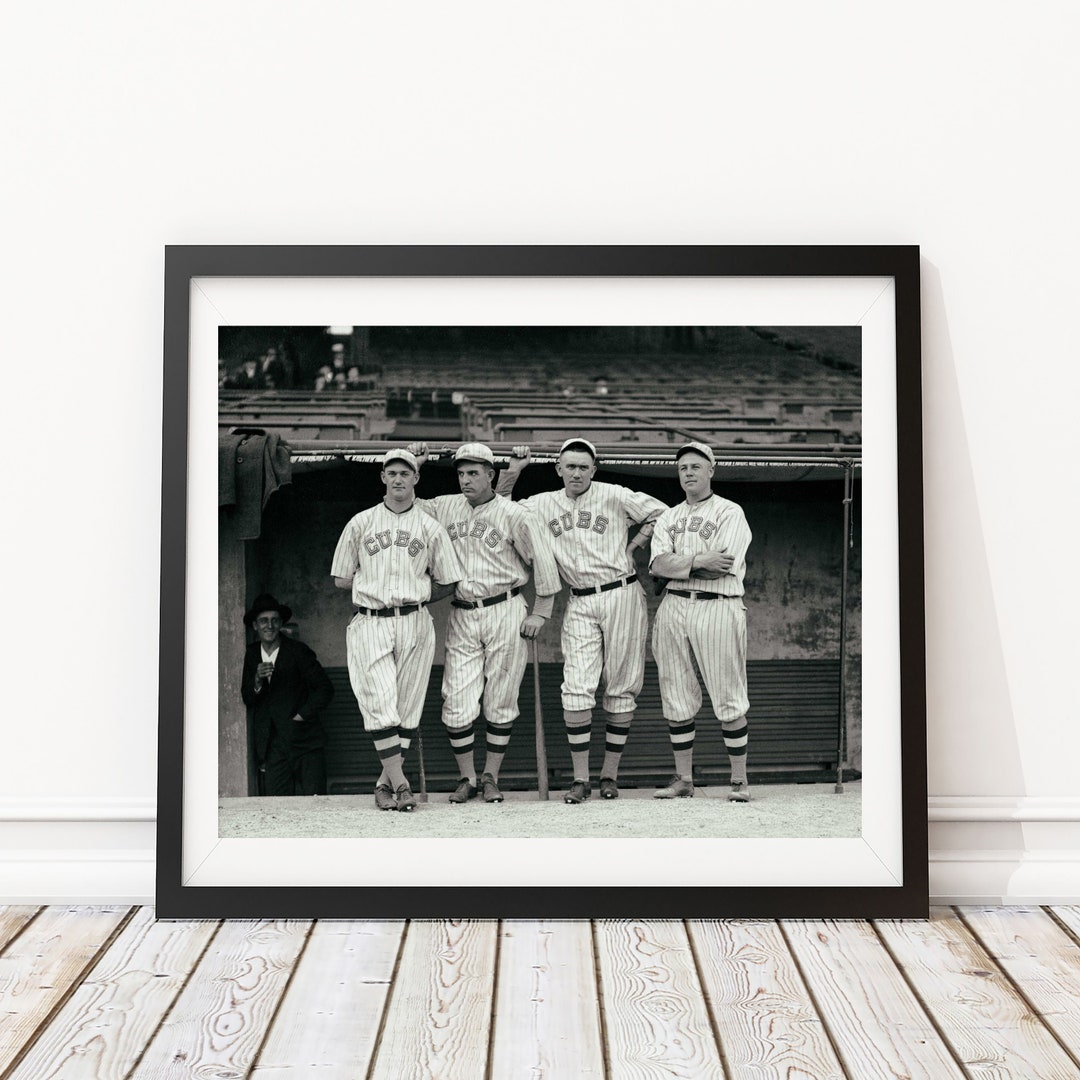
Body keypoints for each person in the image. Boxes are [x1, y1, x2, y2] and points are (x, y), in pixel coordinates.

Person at [498, 440, 667, 803]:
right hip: (579, 598)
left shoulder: (614, 494)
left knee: (621, 686)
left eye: (583, 467)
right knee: (576, 687)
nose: (576, 473)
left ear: (594, 470)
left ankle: (609, 776)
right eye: (570, 466)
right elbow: (500, 508)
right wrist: (513, 472)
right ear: (558, 469)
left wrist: (635, 544)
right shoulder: (542, 503)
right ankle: (580, 779)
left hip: (621, 592)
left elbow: (663, 514)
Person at [406, 441, 561, 804]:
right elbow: (405, 505)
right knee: (456, 700)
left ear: (491, 475)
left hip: (505, 608)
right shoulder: (445, 506)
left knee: (501, 698)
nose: (465, 480)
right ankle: (468, 777)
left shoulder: (515, 514)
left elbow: (544, 561)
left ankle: (491, 775)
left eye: (473, 473)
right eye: (461, 473)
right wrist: (415, 464)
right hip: (462, 610)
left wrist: (541, 611)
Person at [330, 449, 464, 812]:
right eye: (392, 473)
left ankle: (383, 785)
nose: (398, 479)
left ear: (416, 478)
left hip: (414, 621)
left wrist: (414, 593)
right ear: (383, 478)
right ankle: (402, 784)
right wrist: (373, 586)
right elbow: (341, 577)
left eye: (405, 473)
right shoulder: (360, 523)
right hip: (371, 620)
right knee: (378, 703)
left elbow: (449, 581)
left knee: (407, 708)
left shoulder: (430, 527)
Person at [648, 442, 753, 802]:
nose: (689, 472)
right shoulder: (668, 516)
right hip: (674, 606)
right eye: (683, 468)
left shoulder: (730, 512)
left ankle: (738, 781)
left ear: (711, 469)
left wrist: (680, 564)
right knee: (676, 694)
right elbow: (657, 565)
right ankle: (683, 779)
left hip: (718, 605)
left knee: (728, 693)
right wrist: (698, 561)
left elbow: (722, 566)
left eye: (696, 466)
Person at [240, 593, 335, 796]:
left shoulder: (298, 651)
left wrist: (300, 716)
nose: (270, 626)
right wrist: (257, 680)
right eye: (263, 621)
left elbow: (325, 689)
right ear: (255, 626)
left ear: (281, 623)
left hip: (306, 742)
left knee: (316, 803)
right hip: (273, 746)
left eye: (275, 620)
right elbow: (248, 698)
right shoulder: (252, 654)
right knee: (277, 805)